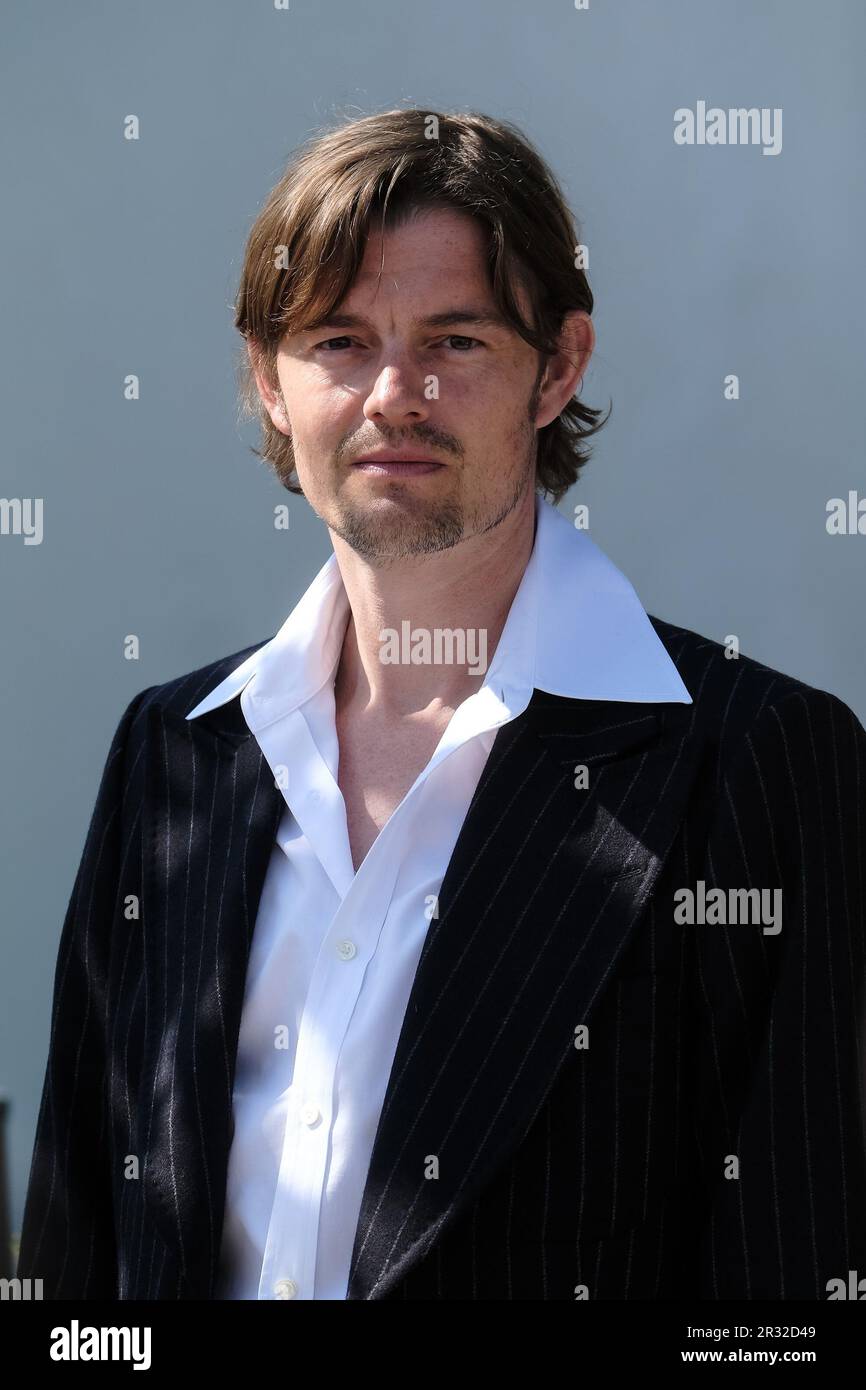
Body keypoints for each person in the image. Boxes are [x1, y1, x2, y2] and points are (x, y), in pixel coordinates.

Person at [17, 109, 866, 1300]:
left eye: (454, 340)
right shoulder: (172, 751)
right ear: (268, 381)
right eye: (338, 340)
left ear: (556, 367)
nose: (393, 395)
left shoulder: (760, 760)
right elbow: (80, 1260)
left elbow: (789, 1289)